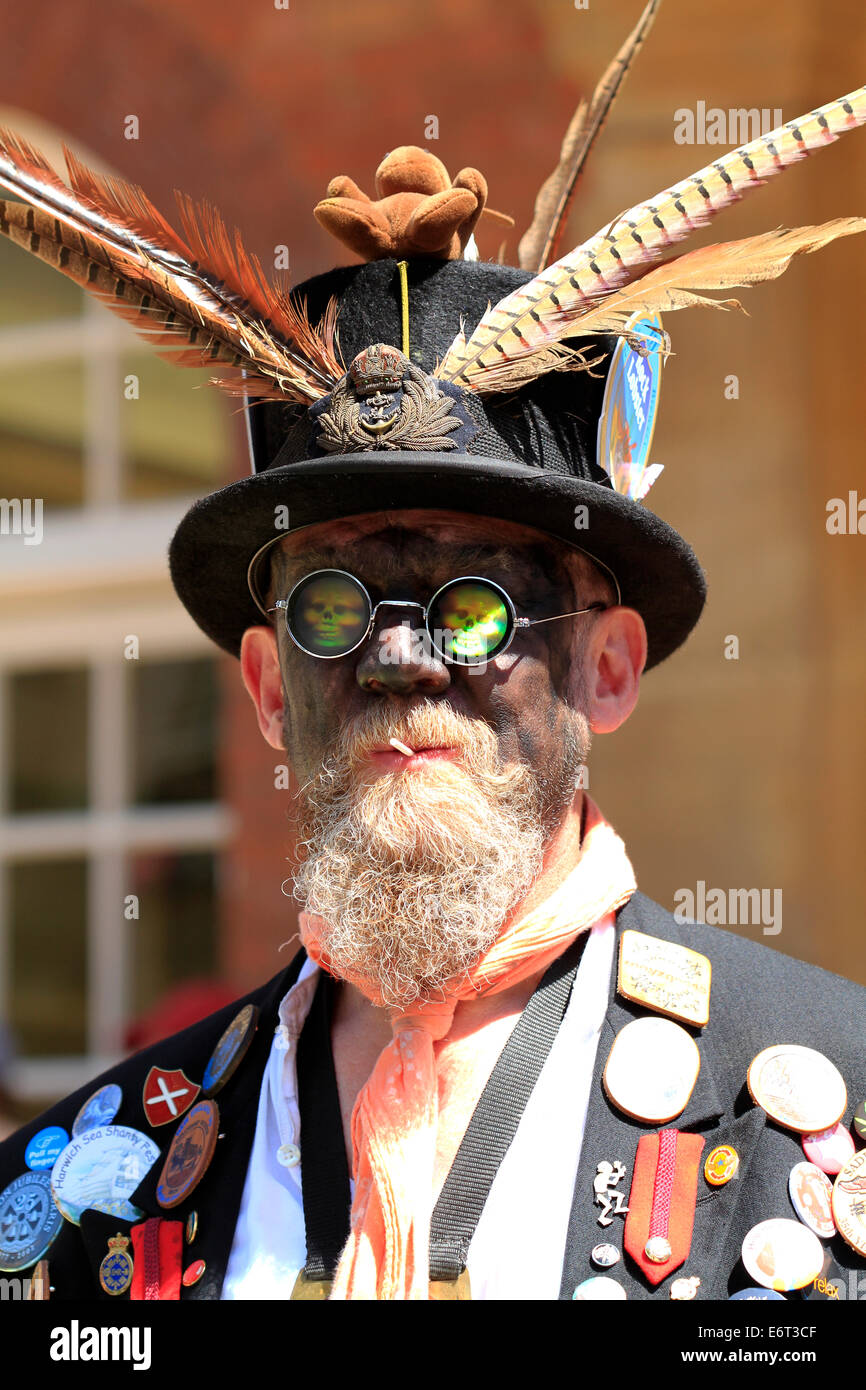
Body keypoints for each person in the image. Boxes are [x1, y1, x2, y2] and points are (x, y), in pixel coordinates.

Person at [1, 12, 865, 1300]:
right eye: (335, 610)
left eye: (474, 608)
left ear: (609, 669)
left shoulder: (826, 1101)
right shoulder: (80, 1204)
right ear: (263, 693)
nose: (401, 658)